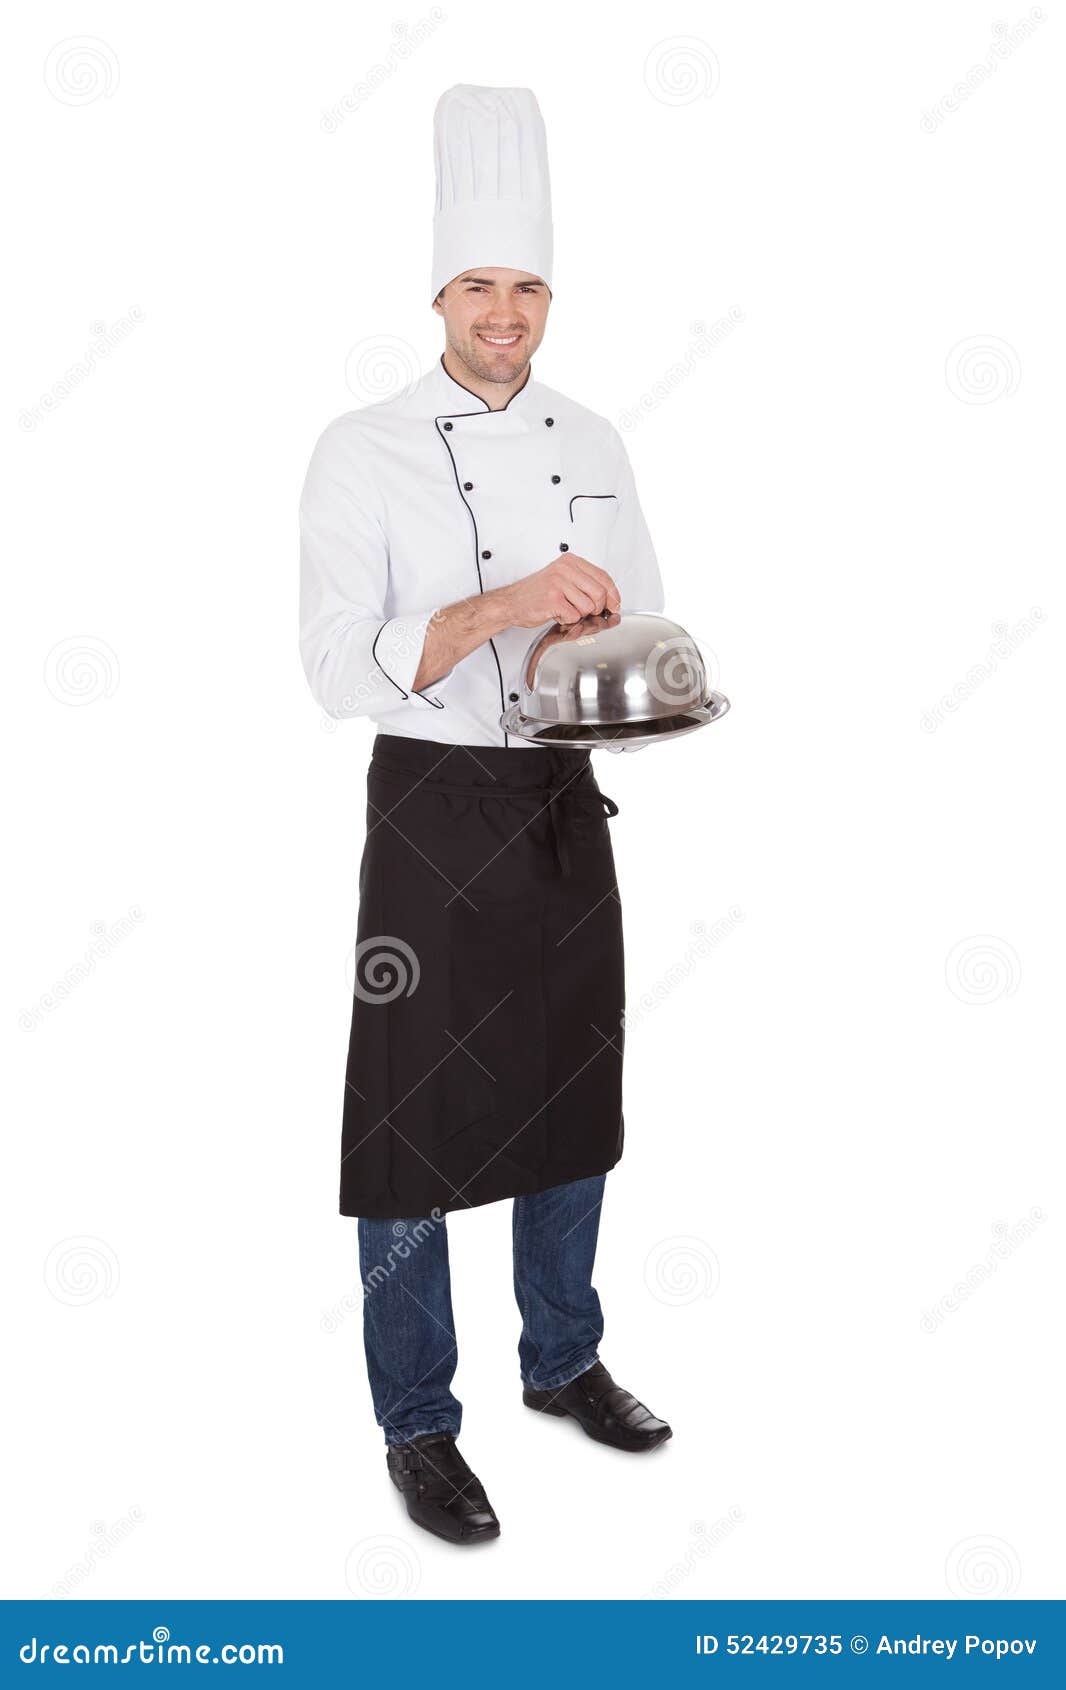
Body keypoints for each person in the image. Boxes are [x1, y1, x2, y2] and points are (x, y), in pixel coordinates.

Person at [299, 85, 671, 1547]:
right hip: (431, 814)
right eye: (478, 287)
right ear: (438, 293)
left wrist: (639, 668)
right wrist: (509, 602)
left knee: (574, 1093)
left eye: (525, 287)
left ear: (546, 294)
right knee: (407, 1119)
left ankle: (562, 1354)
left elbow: (627, 615)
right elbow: (335, 668)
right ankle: (417, 1419)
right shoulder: (360, 448)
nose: (503, 311)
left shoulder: (597, 436)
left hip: (561, 803)